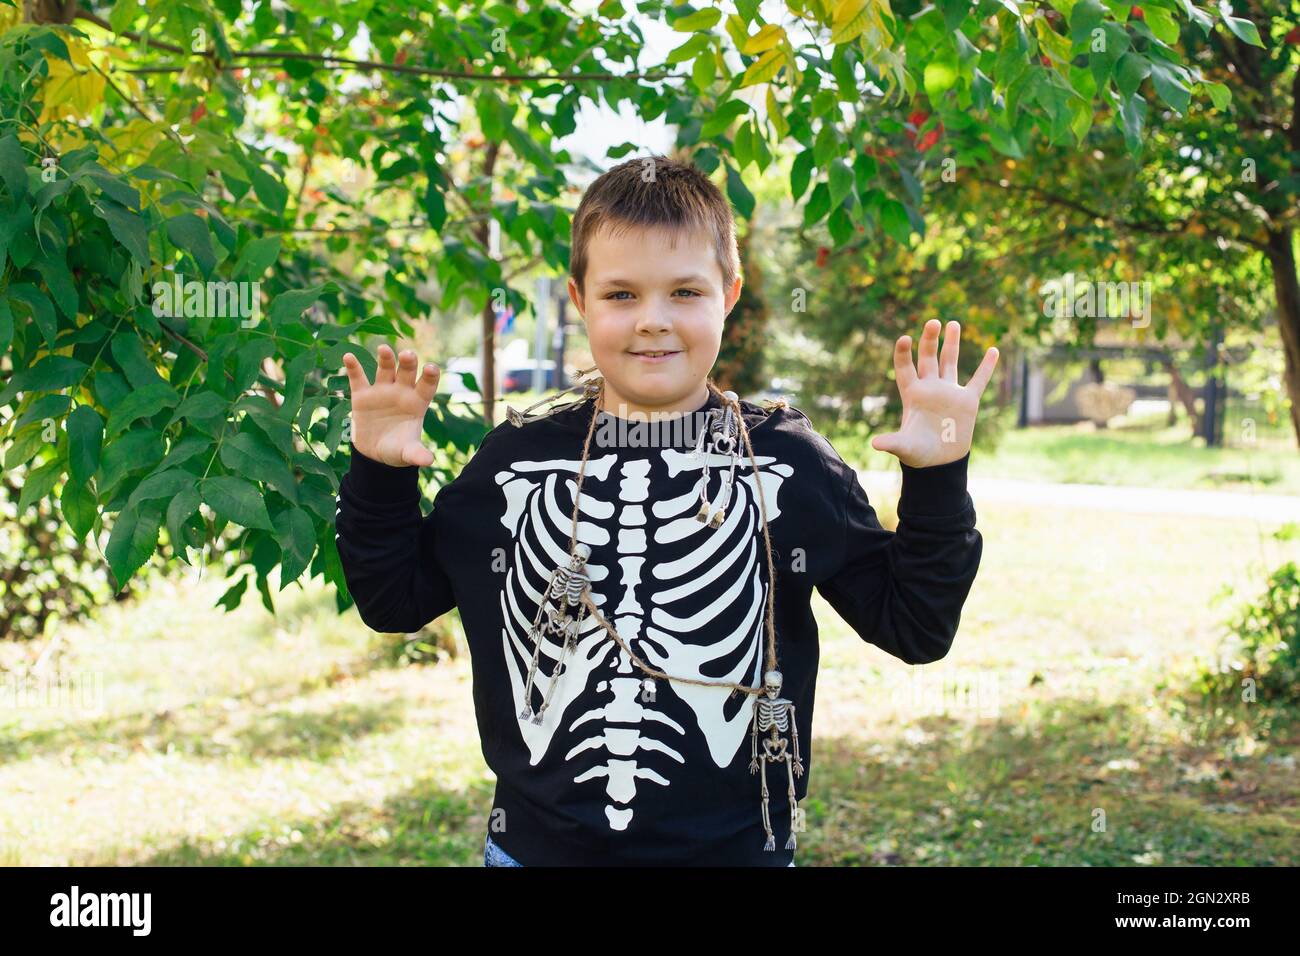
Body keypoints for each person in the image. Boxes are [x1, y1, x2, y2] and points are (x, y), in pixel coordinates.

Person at [334, 155, 999, 867]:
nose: (653, 321)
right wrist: (378, 474)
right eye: (621, 295)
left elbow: (916, 627)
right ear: (579, 299)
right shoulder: (516, 459)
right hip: (536, 853)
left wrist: (936, 479)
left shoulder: (788, 463)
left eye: (685, 291)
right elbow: (395, 601)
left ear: (729, 294)